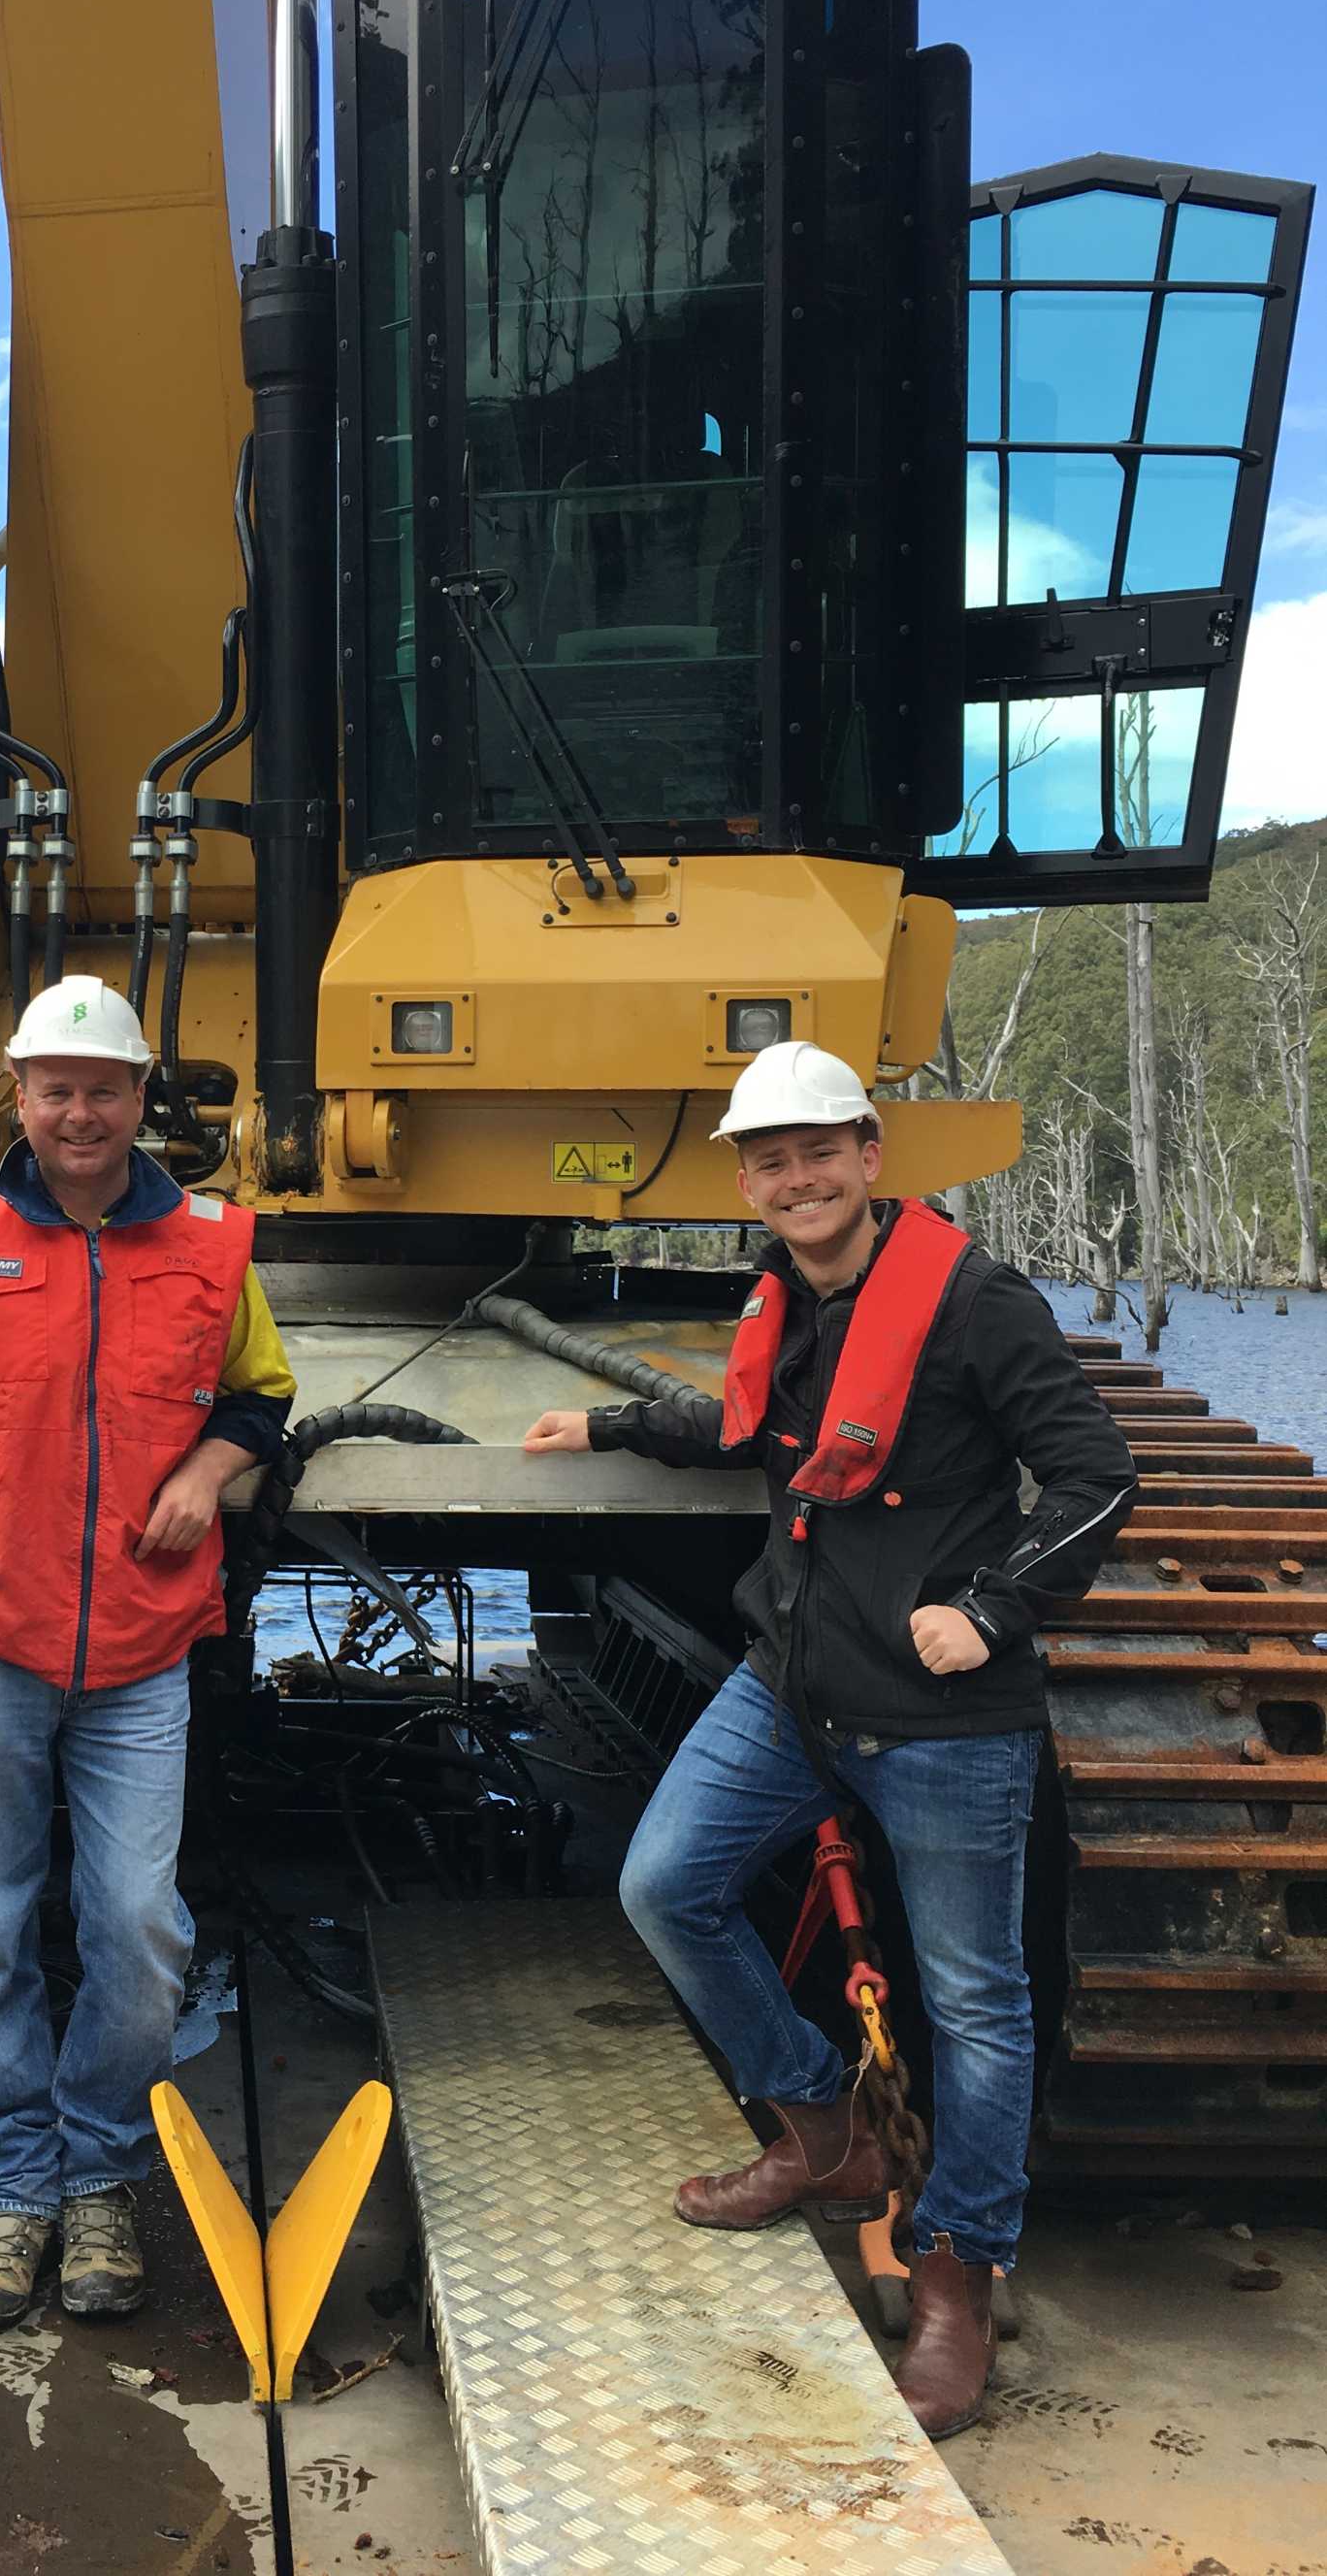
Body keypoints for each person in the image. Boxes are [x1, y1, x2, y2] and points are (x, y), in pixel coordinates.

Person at [523, 1040, 1136, 2441]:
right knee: (664, 1885)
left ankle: (956, 2271)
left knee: (974, 2001)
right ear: (748, 1182)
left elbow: (1098, 1476)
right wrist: (605, 1421)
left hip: (940, 1719)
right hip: (791, 1684)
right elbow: (754, 1428)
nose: (794, 1177)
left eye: (816, 1151)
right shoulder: (786, 1303)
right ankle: (821, 2126)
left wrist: (989, 1605)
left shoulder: (973, 1303)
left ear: (867, 1156)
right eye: (768, 1160)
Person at [0, 975, 295, 2331]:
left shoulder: (214, 1249)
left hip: (139, 1654)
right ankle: (13, 2193)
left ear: (137, 1097)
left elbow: (263, 1394)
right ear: (19, 1096)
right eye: (53, 1087)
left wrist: (210, 1469)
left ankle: (97, 2168)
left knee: (135, 1927)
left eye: (102, 1088)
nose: (78, 1111)